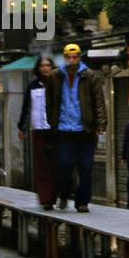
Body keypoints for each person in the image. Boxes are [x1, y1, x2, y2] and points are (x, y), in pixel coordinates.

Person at [46, 43, 108, 213]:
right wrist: (51, 123)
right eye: (68, 57)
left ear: (80, 57)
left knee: (86, 166)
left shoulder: (91, 76)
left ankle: (82, 202)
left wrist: (101, 123)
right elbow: (49, 102)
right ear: (64, 58)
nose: (72, 60)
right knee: (64, 164)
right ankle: (64, 194)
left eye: (75, 57)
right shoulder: (54, 76)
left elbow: (99, 101)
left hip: (85, 128)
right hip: (63, 129)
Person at [18, 54, 57, 211]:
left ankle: (55, 195)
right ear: (38, 68)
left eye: (48, 65)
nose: (45, 68)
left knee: (55, 164)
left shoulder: (57, 84)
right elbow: (26, 106)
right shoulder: (33, 85)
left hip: (55, 130)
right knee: (41, 166)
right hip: (38, 129)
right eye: (42, 66)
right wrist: (21, 126)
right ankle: (45, 198)